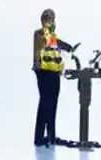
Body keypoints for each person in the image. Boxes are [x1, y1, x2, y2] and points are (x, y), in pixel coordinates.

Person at [32, 8, 76, 147]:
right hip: (43, 72)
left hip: (54, 73)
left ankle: (51, 136)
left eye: (53, 19)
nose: (53, 22)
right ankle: (39, 138)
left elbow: (57, 43)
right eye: (50, 19)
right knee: (45, 103)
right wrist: (49, 32)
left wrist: (70, 48)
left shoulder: (52, 36)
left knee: (53, 104)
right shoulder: (39, 34)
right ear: (44, 20)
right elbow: (43, 45)